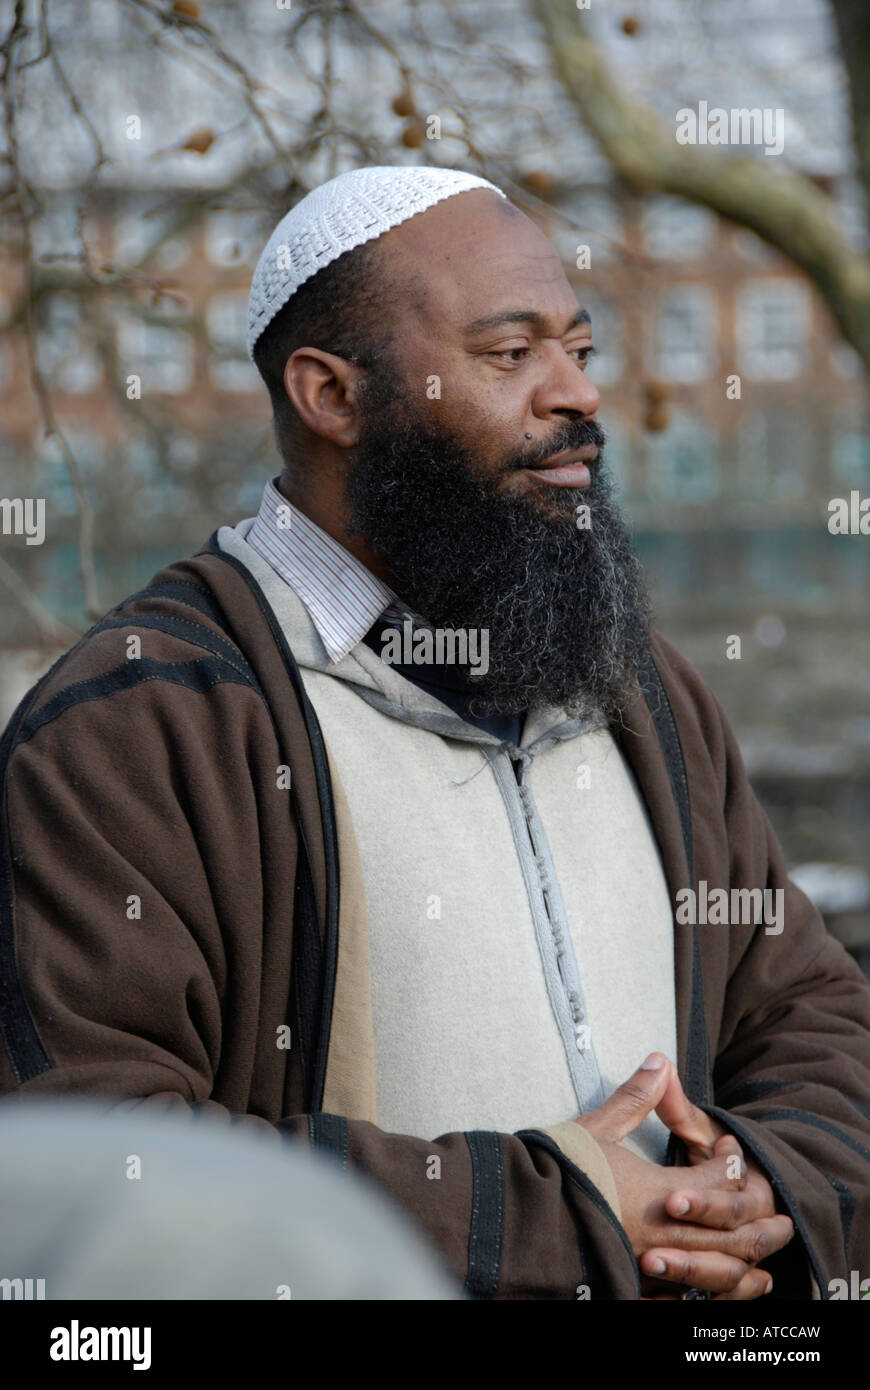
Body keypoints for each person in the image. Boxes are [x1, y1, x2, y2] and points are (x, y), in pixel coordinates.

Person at [1, 165, 868, 1301]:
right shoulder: (140, 721)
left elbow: (810, 1013)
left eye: (581, 350)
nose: (578, 396)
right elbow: (98, 1157)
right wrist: (557, 1215)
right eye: (512, 356)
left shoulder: (640, 686)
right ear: (332, 396)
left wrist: (757, 1194)